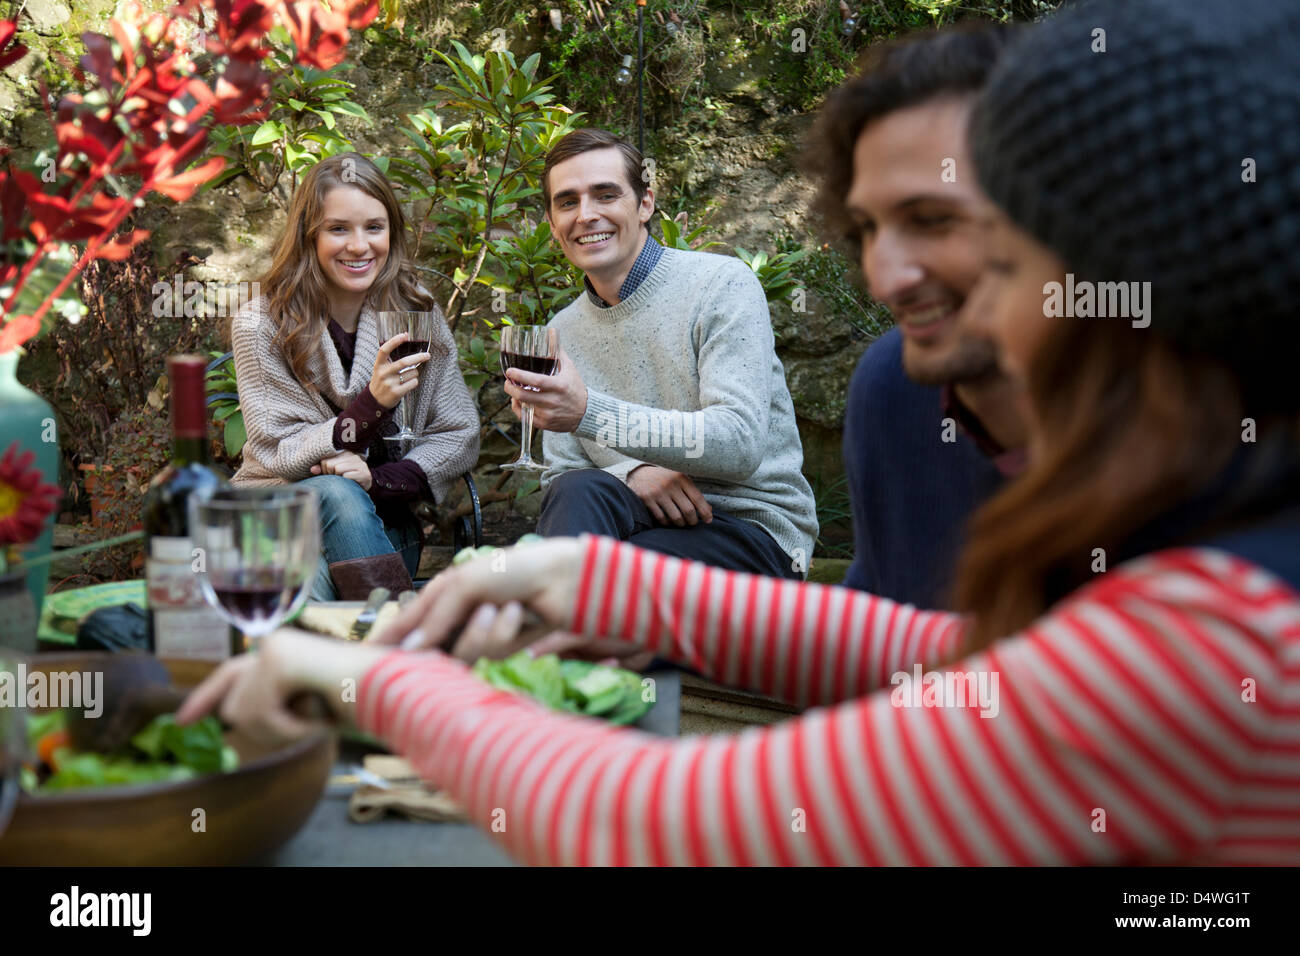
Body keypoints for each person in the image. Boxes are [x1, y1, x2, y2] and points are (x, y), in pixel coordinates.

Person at [184, 0, 1300, 865]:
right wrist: (591, 579)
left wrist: (356, 677)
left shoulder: (1215, 645)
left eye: (1000, 254)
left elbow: (649, 821)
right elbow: (952, 663)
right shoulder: (1224, 544)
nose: (909, 290)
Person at [502, 128, 818, 581]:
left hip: (750, 530)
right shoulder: (561, 331)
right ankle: (565, 627)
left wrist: (588, 412)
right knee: (578, 494)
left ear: (645, 203)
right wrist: (633, 473)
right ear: (553, 224)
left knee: (597, 571)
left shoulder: (722, 285)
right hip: (636, 521)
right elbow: (561, 479)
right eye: (567, 202)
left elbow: (739, 442)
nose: (586, 215)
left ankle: (550, 630)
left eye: (605, 195)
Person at [804, 24, 1028, 607]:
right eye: (868, 229)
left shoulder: (1199, 424)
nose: (885, 279)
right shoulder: (893, 386)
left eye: (932, 219)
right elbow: (882, 610)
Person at [230, 152, 479, 600]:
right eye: (338, 228)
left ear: (392, 233)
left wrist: (378, 481)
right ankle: (398, 645)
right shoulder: (261, 323)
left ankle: (307, 653)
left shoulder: (417, 314)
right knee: (332, 491)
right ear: (310, 236)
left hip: (377, 530)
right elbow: (278, 450)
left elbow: (458, 432)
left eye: (374, 228)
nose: (359, 246)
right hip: (276, 519)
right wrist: (372, 406)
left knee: (307, 576)